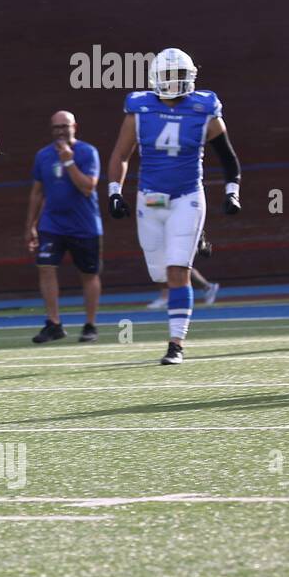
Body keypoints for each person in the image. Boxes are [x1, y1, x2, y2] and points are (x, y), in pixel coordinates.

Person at [106, 47, 241, 364]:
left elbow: (228, 158)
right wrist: (114, 191)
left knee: (178, 270)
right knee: (159, 273)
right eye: (170, 75)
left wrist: (232, 192)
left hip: (188, 195)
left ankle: (175, 344)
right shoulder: (139, 108)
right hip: (150, 198)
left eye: (181, 75)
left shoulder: (203, 108)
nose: (175, 81)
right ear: (156, 77)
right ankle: (196, 236)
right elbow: (121, 155)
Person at [24, 110, 102, 343]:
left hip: (84, 224)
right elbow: (37, 192)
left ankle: (90, 324)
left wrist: (68, 160)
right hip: (52, 224)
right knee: (45, 267)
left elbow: (88, 187)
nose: (60, 131)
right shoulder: (43, 156)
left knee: (88, 274)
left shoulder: (88, 152)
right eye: (56, 127)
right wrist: (30, 225)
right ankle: (54, 323)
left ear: (74, 127)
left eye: (64, 126)